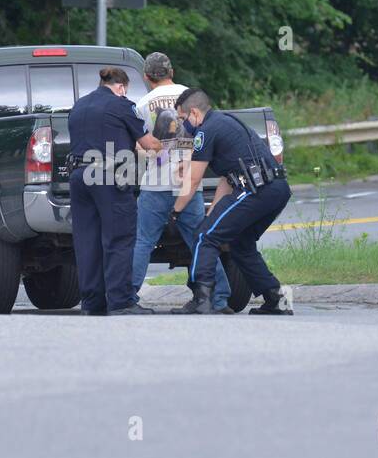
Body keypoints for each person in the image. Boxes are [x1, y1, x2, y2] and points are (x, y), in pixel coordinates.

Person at [170, 88, 293, 315]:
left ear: (194, 113)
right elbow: (227, 178)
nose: (182, 124)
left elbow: (193, 179)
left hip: (255, 189)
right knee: (240, 244)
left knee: (204, 237)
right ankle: (275, 299)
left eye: (182, 118)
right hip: (276, 189)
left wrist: (175, 211)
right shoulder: (226, 122)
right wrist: (213, 213)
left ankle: (202, 299)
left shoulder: (204, 133)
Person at [129, 52, 231, 313]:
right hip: (188, 182)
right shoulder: (191, 97)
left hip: (155, 183)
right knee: (199, 240)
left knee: (143, 241)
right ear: (171, 72)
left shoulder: (142, 104)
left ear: (146, 77)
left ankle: (127, 297)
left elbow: (141, 147)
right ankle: (218, 298)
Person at [68, 66, 163, 315]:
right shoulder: (122, 105)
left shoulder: (79, 105)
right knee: (119, 239)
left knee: (87, 242)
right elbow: (148, 144)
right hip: (108, 176)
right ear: (121, 87)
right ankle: (120, 302)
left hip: (79, 177)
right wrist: (167, 140)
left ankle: (92, 303)